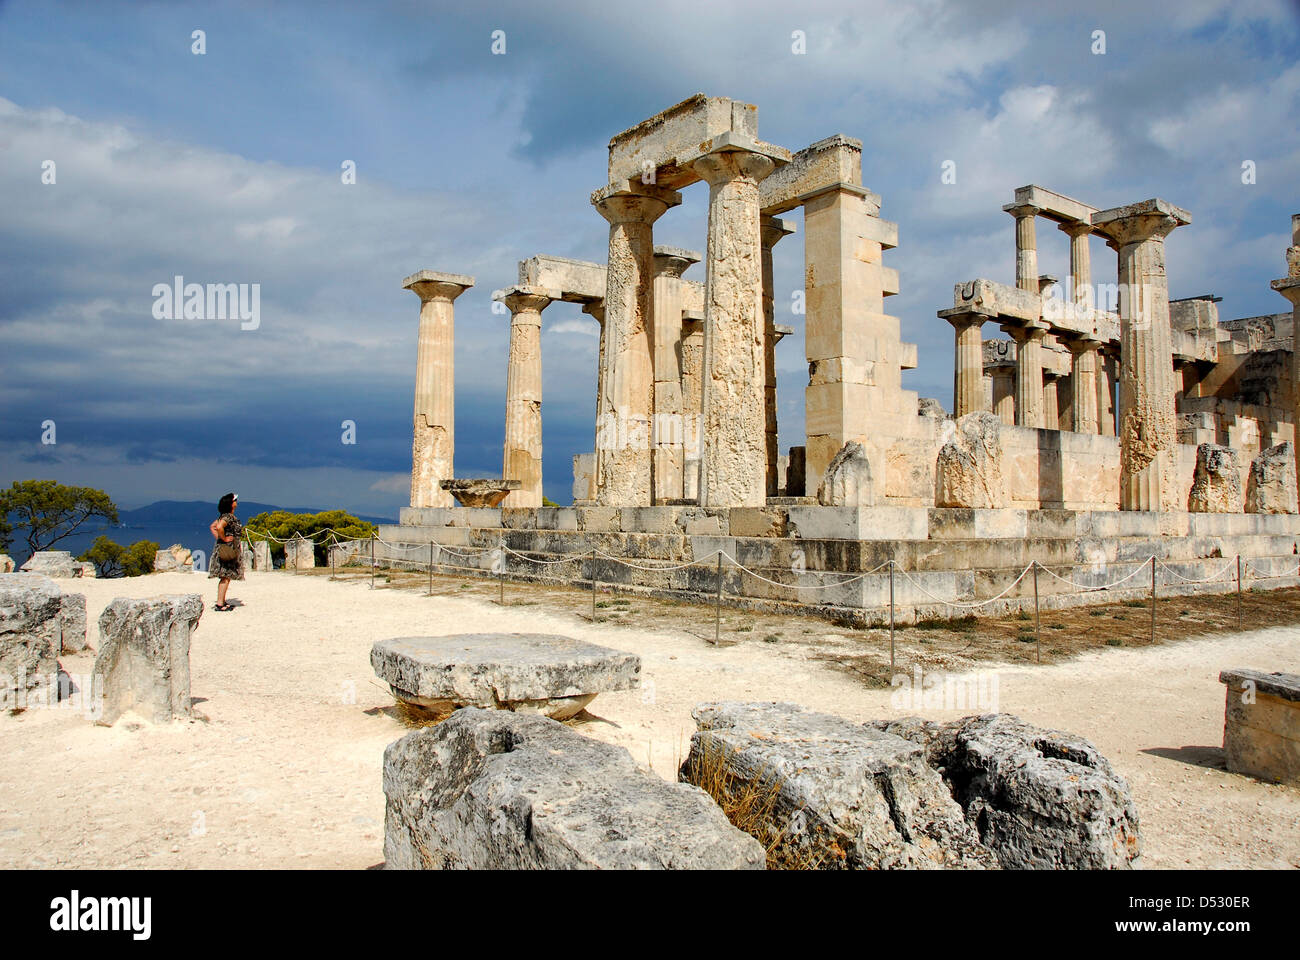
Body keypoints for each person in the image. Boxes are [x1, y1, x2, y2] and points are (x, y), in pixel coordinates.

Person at [208, 492, 244, 611]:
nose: (236, 503)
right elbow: (218, 527)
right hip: (227, 549)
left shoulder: (225, 516)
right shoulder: (227, 517)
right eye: (235, 501)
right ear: (231, 504)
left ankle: (222, 601)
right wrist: (224, 539)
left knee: (226, 576)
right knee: (225, 575)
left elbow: (213, 527)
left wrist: (219, 539)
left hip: (227, 548)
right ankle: (220, 604)